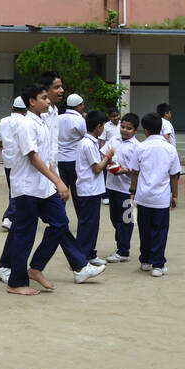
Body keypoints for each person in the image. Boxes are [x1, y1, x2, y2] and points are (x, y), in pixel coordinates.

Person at [0, 83, 106, 293]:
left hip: (44, 188)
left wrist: (58, 182)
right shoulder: (26, 124)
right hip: (27, 188)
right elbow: (33, 157)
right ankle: (16, 283)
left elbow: (46, 160)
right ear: (32, 101)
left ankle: (36, 268)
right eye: (44, 98)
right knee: (24, 234)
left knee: (60, 223)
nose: (48, 101)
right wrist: (57, 181)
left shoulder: (43, 123)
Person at [126, 112, 179, 277]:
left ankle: (145, 260)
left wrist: (132, 192)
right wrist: (175, 195)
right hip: (161, 198)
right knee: (160, 230)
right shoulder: (170, 149)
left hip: (143, 196)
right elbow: (174, 175)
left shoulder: (140, 147)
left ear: (146, 130)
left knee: (144, 228)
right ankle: (158, 263)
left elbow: (134, 172)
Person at [74, 110, 114, 266]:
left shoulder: (89, 142)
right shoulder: (88, 144)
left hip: (92, 189)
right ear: (99, 126)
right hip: (88, 189)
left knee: (92, 223)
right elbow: (97, 168)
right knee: (87, 224)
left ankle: (90, 253)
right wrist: (108, 156)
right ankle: (83, 256)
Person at [104, 112, 138, 262]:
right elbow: (103, 154)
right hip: (112, 186)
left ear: (135, 131)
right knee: (114, 218)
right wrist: (108, 162)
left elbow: (138, 170)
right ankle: (121, 246)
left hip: (127, 189)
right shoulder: (114, 139)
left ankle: (123, 251)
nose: (124, 130)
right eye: (122, 127)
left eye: (128, 128)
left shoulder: (137, 146)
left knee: (127, 219)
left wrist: (125, 171)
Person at [0, 96, 26, 231]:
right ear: (26, 110)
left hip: (8, 162)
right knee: (18, 191)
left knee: (14, 189)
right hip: (22, 162)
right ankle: (9, 217)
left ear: (12, 108)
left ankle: (15, 217)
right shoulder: (26, 122)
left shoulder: (3, 121)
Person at [55, 93, 87, 205]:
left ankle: (59, 221)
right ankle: (81, 219)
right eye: (82, 105)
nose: (83, 107)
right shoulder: (79, 120)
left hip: (59, 159)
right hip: (74, 159)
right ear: (78, 106)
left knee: (61, 191)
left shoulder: (58, 118)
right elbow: (85, 136)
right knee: (77, 192)